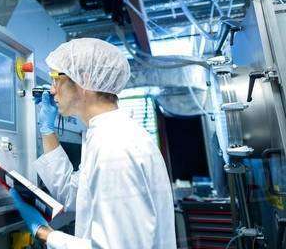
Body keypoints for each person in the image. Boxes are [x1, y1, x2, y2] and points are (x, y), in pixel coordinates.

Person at [9, 38, 176, 249]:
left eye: (55, 78)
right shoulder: (106, 135)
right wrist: (47, 130)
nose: (52, 90)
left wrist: (46, 235)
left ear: (84, 80)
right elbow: (72, 195)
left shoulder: (114, 146)